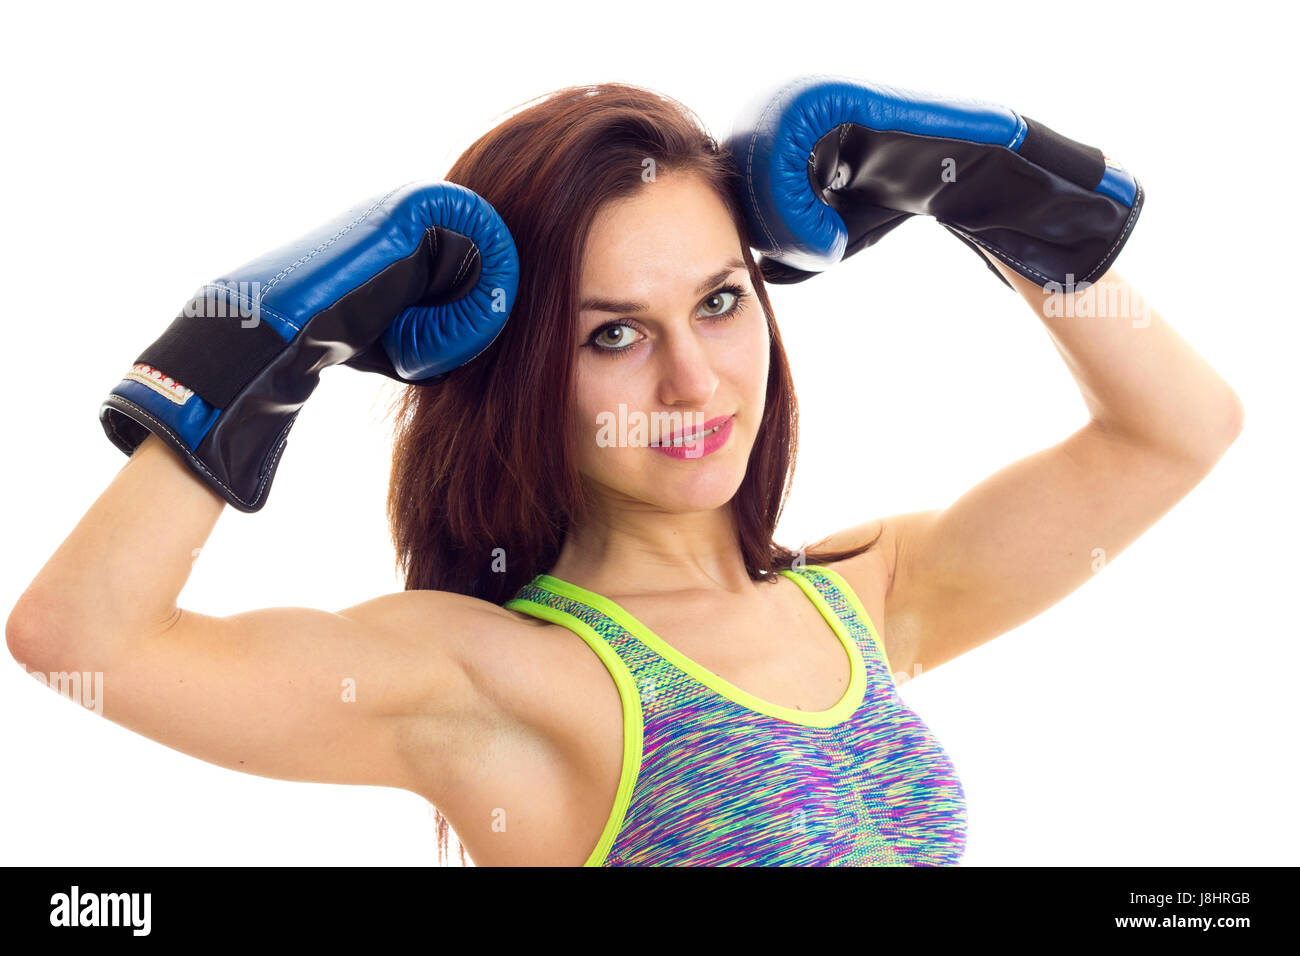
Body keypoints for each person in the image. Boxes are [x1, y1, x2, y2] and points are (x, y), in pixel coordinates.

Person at [6, 81, 1244, 867]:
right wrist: (260, 348)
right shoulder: (497, 678)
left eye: (718, 301)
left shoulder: (863, 595)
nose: (694, 382)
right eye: (612, 334)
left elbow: (1179, 429)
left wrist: (1007, 203)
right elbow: (81, 637)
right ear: (521, 369)